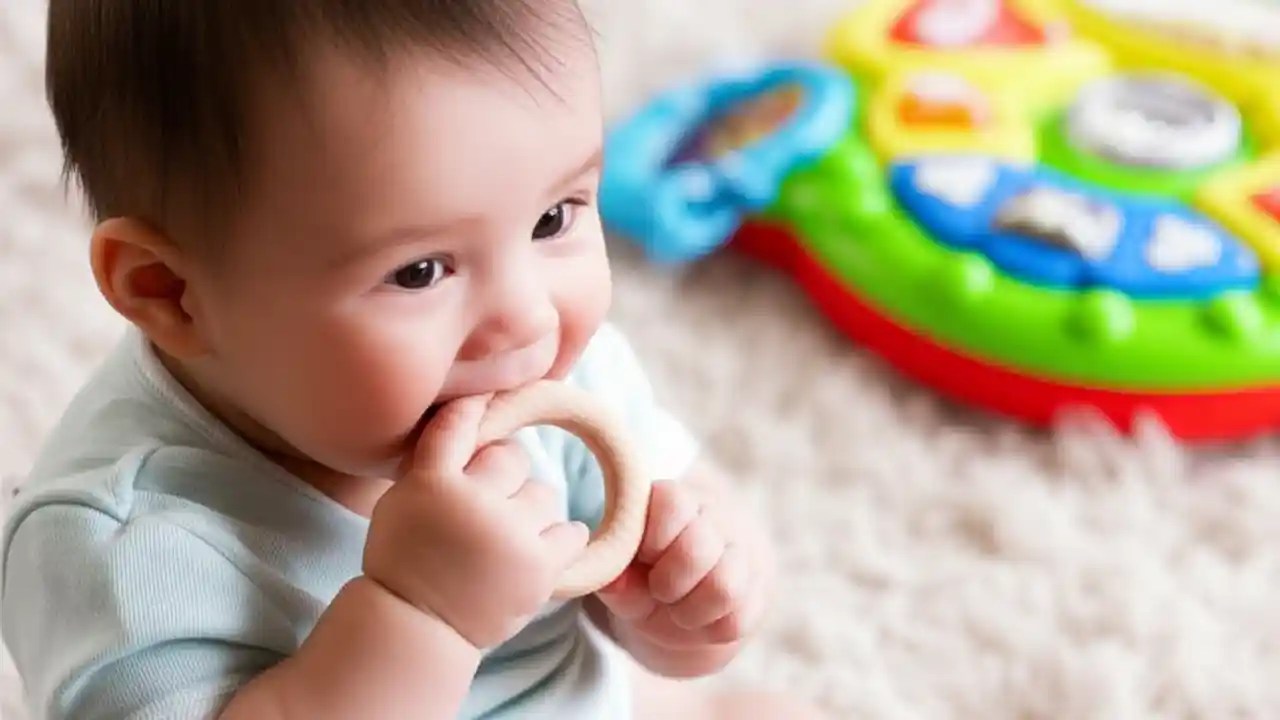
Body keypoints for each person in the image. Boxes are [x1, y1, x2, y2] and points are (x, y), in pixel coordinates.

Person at [2, 2, 821, 718]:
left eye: (553, 219)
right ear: (171, 292)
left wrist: (688, 595)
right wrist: (421, 615)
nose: (529, 318)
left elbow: (668, 575)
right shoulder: (121, 550)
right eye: (420, 271)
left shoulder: (537, 368)